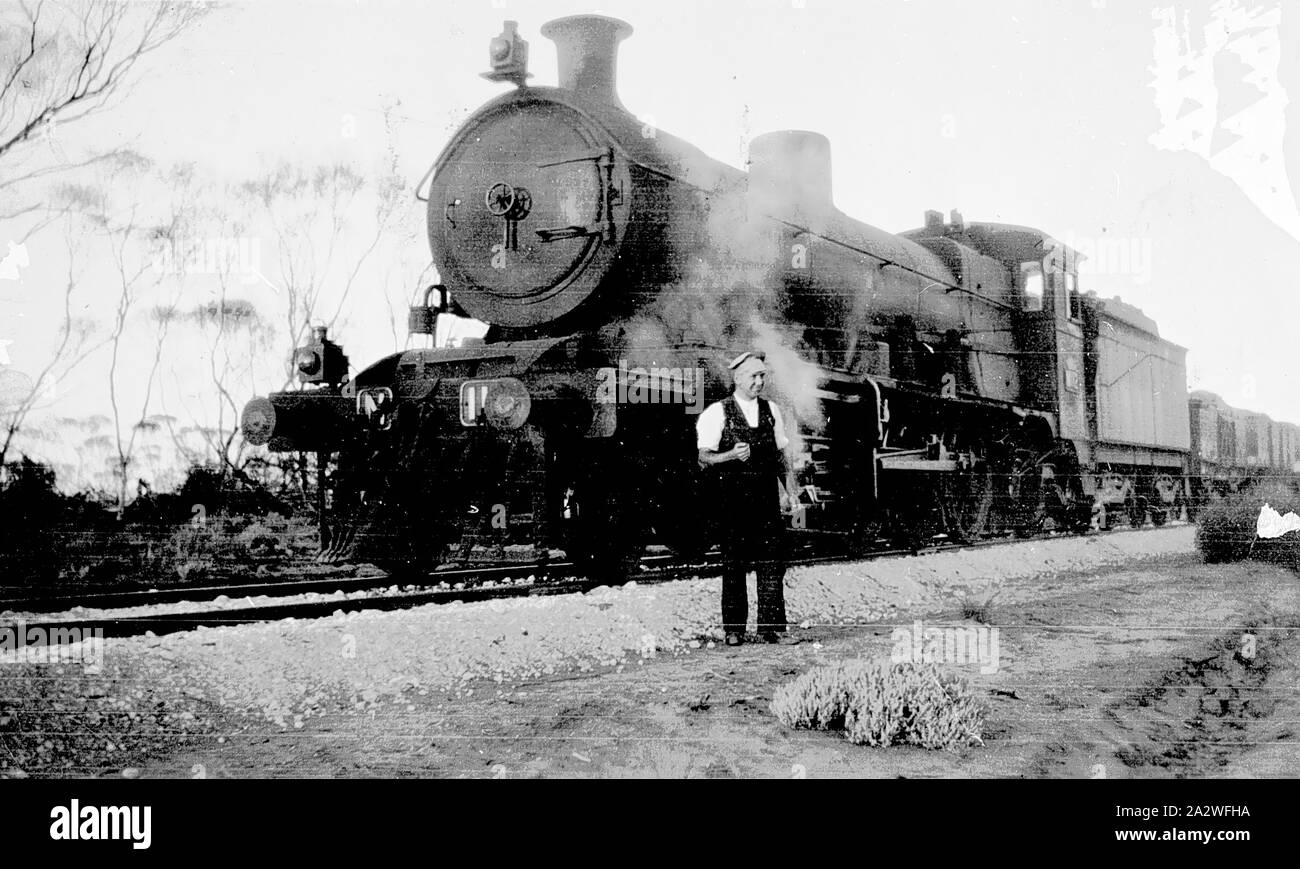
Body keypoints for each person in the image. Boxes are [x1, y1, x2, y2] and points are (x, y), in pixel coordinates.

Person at [696, 350, 798, 646]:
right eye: (754, 376)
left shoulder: (772, 411)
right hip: (733, 500)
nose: (760, 381)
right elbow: (703, 458)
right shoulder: (717, 412)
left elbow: (782, 456)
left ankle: (770, 628)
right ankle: (734, 630)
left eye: (763, 375)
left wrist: (791, 492)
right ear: (738, 378)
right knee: (734, 564)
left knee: (771, 564)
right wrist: (730, 455)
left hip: (765, 499)